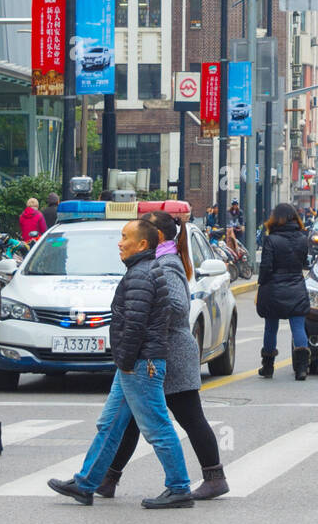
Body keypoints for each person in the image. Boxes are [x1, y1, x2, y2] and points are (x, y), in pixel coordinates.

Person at [48, 218, 193, 507]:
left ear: (142, 244)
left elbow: (135, 325)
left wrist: (125, 362)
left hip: (140, 364)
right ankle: (86, 483)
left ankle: (179, 488)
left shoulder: (142, 274)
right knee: (110, 424)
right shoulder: (143, 270)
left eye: (125, 236)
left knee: (156, 426)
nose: (120, 242)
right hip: (134, 363)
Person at [94, 212, 228, 501]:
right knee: (129, 421)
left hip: (169, 355)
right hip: (155, 352)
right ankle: (108, 479)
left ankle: (214, 477)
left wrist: (143, 315)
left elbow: (179, 307)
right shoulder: (159, 262)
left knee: (190, 417)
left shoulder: (166, 264)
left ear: (157, 236)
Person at [257, 204, 311, 381]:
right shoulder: (303, 239)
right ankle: (302, 368)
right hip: (296, 286)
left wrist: (261, 286)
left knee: (271, 328)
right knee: (298, 327)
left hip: (274, 288)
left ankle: (268, 367)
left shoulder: (271, 240)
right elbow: (304, 263)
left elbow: (266, 267)